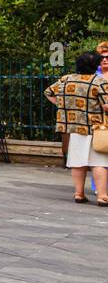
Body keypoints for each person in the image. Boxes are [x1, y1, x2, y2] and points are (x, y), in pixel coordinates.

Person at [45, 51, 108, 204]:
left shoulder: (66, 79)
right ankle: (102, 196)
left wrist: (62, 105)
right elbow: (106, 106)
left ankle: (79, 193)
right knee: (99, 162)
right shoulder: (99, 81)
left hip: (74, 128)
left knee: (78, 162)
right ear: (95, 65)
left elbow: (48, 92)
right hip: (95, 127)